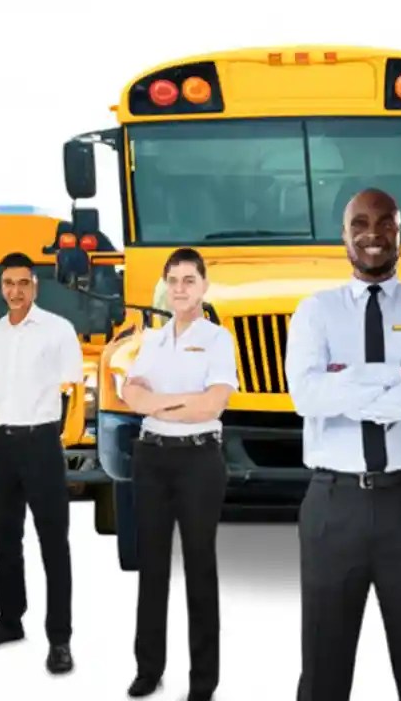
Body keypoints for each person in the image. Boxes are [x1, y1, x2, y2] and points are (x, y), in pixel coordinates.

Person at [286, 187, 401, 701]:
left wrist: (347, 381)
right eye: (360, 223)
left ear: (400, 233)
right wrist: (396, 376)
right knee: (323, 671)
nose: (373, 234)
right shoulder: (315, 313)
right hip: (332, 505)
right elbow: (306, 396)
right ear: (344, 235)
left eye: (386, 222)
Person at [119, 247, 238, 701]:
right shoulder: (152, 340)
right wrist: (174, 402)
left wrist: (158, 404)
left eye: (189, 280)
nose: (180, 289)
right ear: (165, 288)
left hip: (197, 462)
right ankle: (148, 669)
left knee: (199, 568)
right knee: (151, 568)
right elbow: (131, 394)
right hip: (152, 459)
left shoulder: (217, 339)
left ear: (204, 286)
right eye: (173, 281)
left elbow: (213, 404)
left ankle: (203, 682)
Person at [0, 251, 82, 675]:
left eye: (22, 283)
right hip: (0, 443)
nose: (14, 291)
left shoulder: (57, 329)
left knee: (53, 543)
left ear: (34, 285)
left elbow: (74, 386)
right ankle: (9, 619)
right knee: (5, 537)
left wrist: (67, 437)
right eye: (8, 283)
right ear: (1, 287)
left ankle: (60, 639)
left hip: (41, 443)